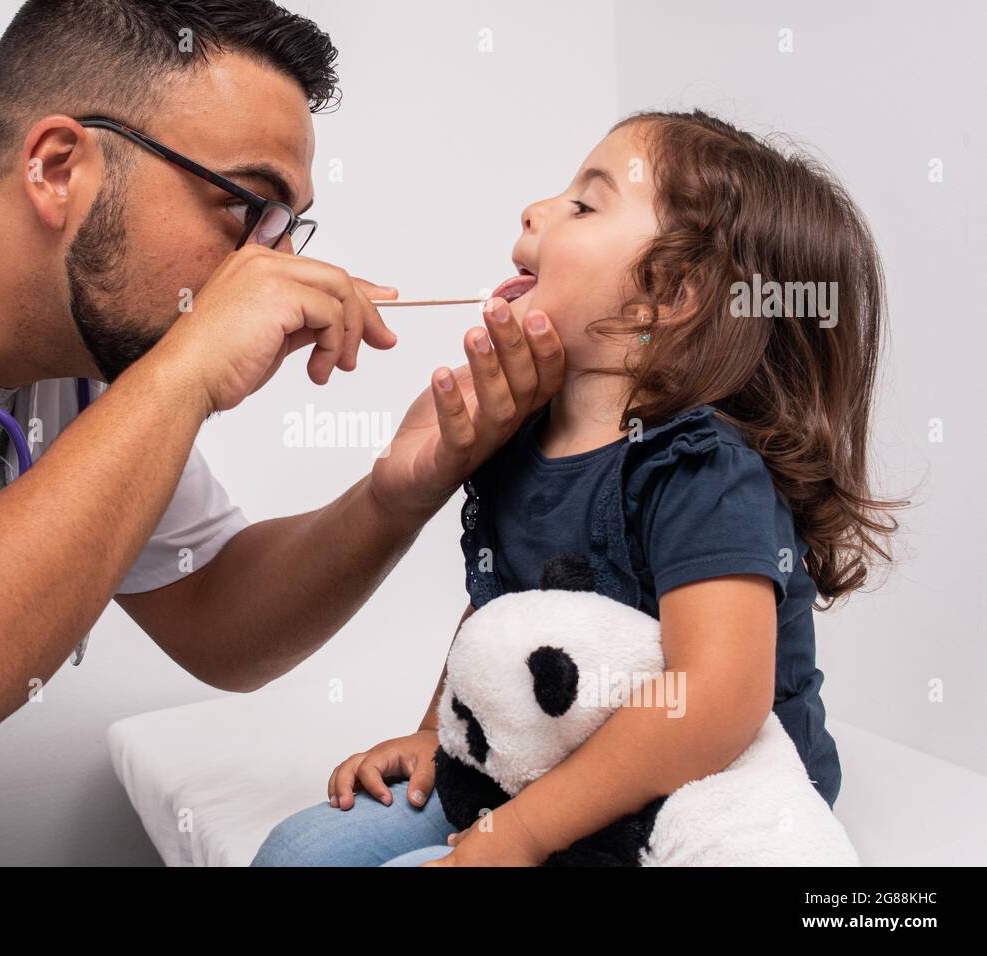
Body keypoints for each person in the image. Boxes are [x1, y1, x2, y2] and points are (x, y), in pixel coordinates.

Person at [0, 0, 564, 865]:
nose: (271, 264)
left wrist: (395, 493)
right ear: (58, 167)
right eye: (244, 207)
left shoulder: (94, 333)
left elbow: (216, 615)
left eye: (285, 226)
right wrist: (187, 370)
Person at [251, 109, 904, 867]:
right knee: (299, 850)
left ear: (667, 293)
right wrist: (439, 735)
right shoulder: (519, 440)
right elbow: (504, 619)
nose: (534, 211)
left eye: (584, 205)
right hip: (546, 767)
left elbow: (716, 703)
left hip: (699, 793)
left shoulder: (703, 470)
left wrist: (520, 836)